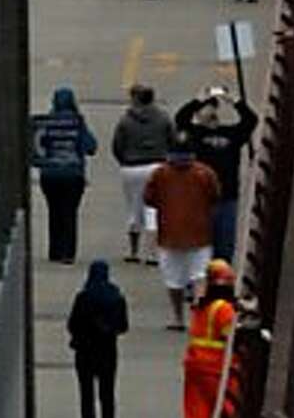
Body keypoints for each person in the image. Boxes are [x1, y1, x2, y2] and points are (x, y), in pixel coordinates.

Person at [174, 81, 260, 263]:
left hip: (227, 197)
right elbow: (181, 118)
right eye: (205, 108)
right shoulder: (195, 134)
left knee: (224, 248)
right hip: (200, 198)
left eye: (213, 108)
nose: (210, 112)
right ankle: (197, 283)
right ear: (198, 114)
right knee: (199, 245)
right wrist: (198, 100)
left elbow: (251, 120)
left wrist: (234, 100)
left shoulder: (232, 134)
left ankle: (221, 284)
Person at [143, 138, 221, 327]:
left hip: (169, 235)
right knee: (200, 277)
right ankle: (200, 318)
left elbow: (149, 199)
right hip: (200, 233)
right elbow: (215, 196)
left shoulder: (160, 174)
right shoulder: (204, 173)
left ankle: (178, 318)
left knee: (174, 281)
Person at [181, 256, 239, 418]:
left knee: (197, 414)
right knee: (227, 411)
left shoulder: (202, 307)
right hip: (216, 369)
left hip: (194, 366)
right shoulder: (223, 309)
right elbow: (233, 336)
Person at [67, 257, 127, 418]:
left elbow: (72, 324)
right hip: (108, 352)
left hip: (85, 352)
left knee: (87, 396)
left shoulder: (83, 297)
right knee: (107, 394)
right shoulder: (116, 297)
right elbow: (123, 326)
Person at [31, 84, 97, 263]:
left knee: (54, 212)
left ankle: (55, 250)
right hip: (73, 175)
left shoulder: (46, 123)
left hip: (50, 175)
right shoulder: (76, 123)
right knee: (69, 213)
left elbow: (36, 147)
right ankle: (68, 252)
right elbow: (91, 147)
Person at [111, 81, 174, 263]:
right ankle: (153, 254)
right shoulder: (163, 118)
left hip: (131, 167)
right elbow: (173, 139)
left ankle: (133, 251)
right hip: (157, 166)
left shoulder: (126, 120)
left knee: (133, 208)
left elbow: (117, 145)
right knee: (154, 209)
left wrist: (124, 160)